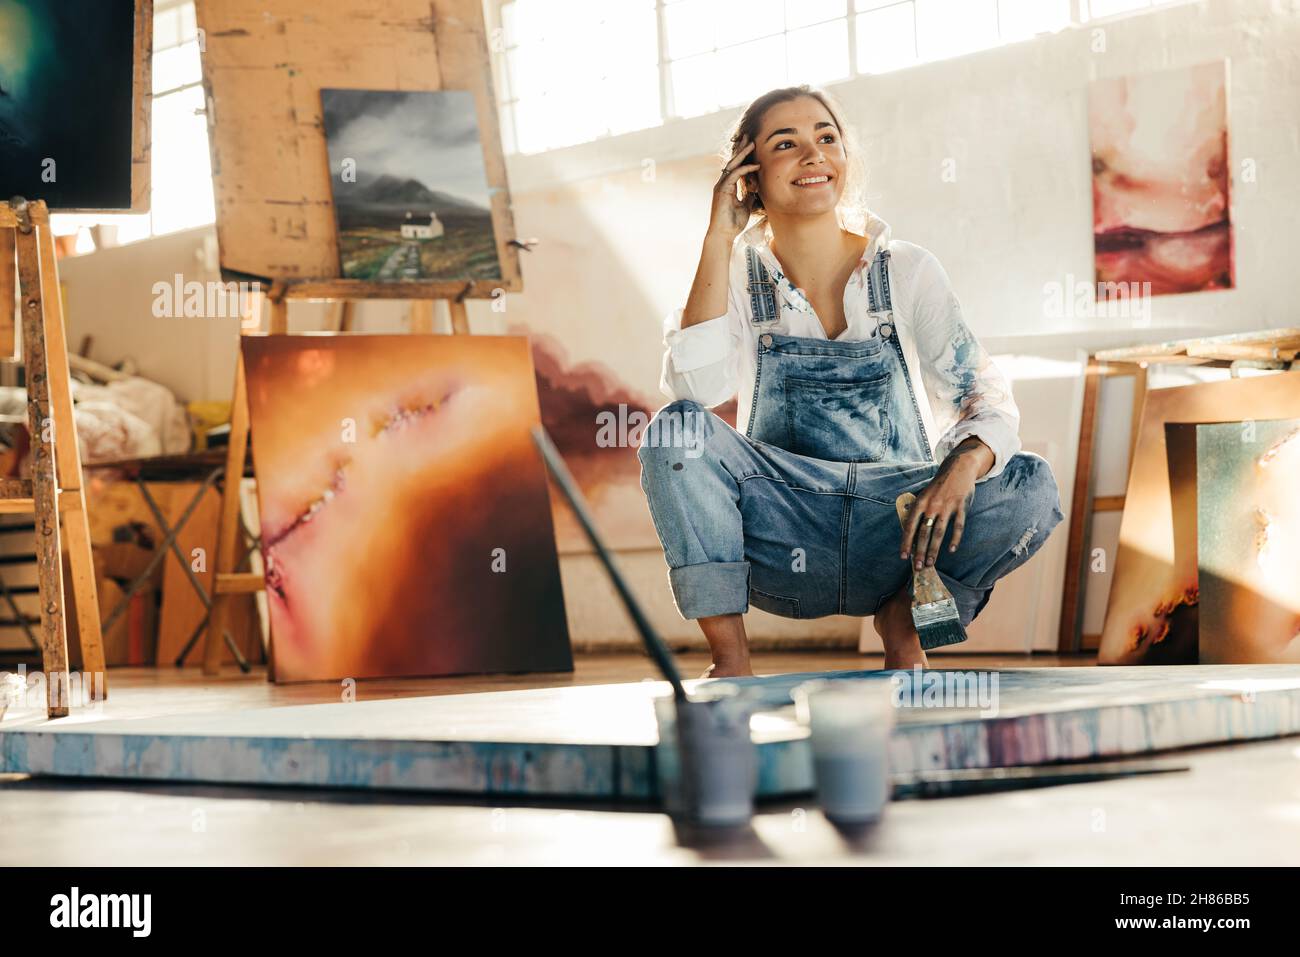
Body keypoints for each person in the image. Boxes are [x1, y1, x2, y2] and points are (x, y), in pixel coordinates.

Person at [638, 85, 1063, 678]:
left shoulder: (905, 269)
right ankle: (730, 661)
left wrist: (959, 470)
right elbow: (696, 389)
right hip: (782, 533)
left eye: (826, 138)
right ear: (749, 173)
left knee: (1031, 485)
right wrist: (718, 238)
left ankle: (902, 620)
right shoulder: (731, 275)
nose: (814, 155)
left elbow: (982, 394)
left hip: (900, 535)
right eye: (786, 143)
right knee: (673, 430)